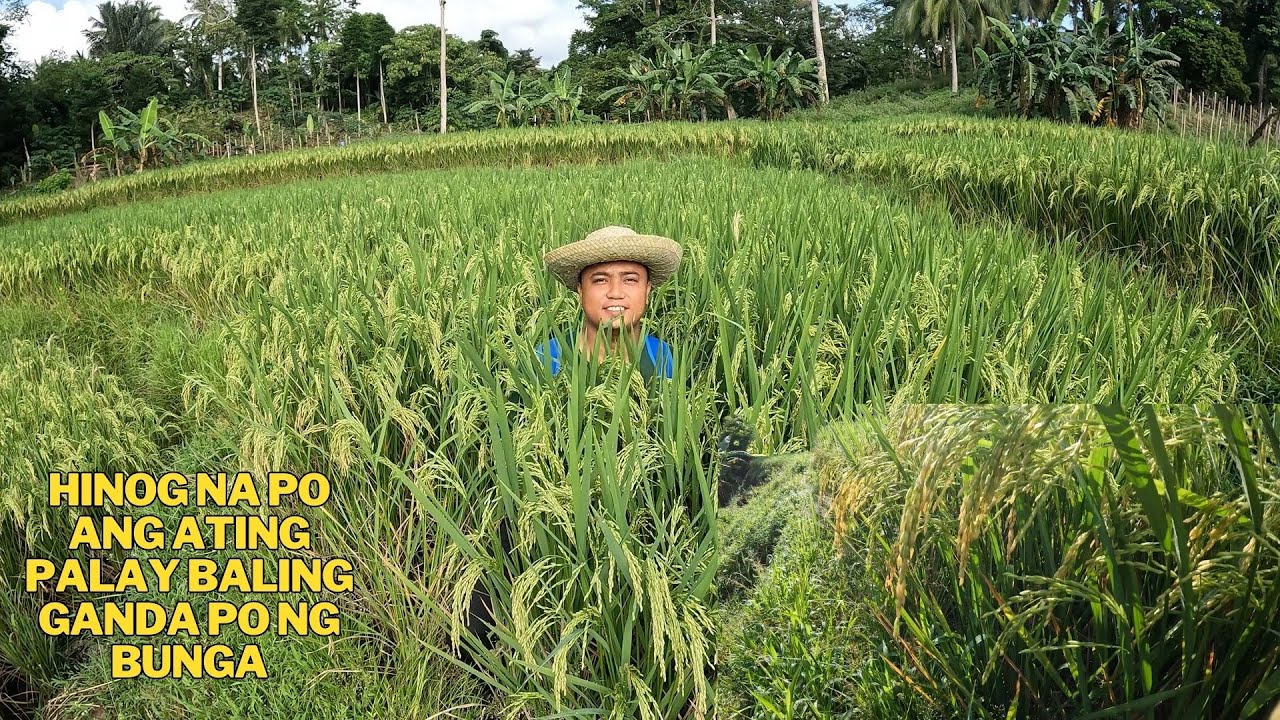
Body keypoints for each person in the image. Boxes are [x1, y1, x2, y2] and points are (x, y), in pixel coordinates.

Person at [536, 225, 680, 381]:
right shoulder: (546, 358)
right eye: (600, 280)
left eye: (630, 280)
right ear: (581, 291)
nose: (615, 293)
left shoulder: (665, 356)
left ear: (647, 291)